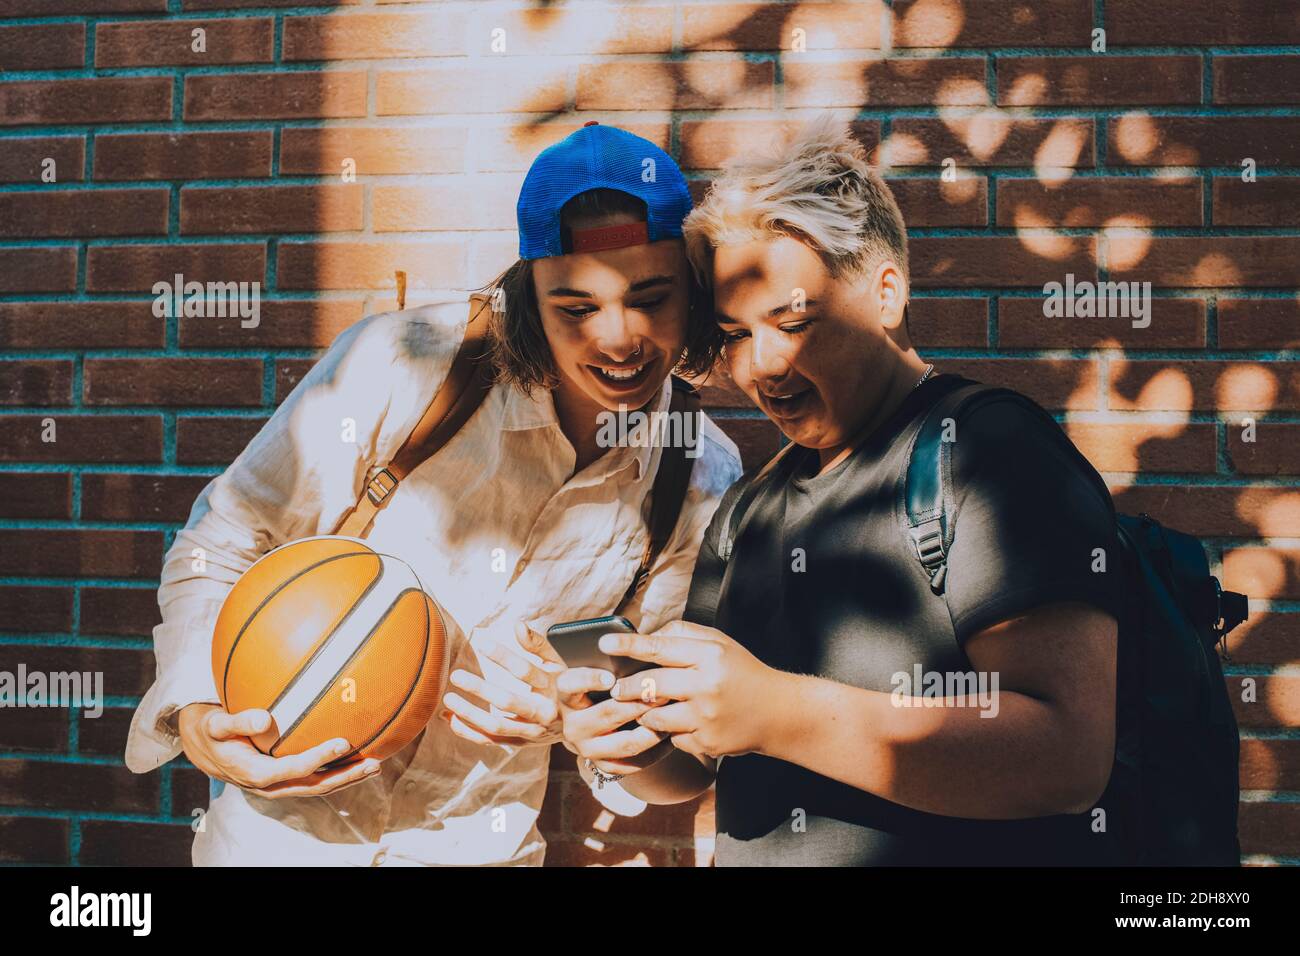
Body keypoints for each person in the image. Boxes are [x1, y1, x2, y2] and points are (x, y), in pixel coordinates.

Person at [123, 122, 741, 866]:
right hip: (276, 843)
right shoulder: (407, 365)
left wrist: (575, 718)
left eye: (651, 297)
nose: (618, 338)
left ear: (695, 293)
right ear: (531, 292)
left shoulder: (698, 476)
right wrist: (194, 711)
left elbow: (651, 737)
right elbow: (220, 543)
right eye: (576, 307)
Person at [561, 115, 1131, 865]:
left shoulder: (989, 450)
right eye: (734, 333)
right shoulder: (747, 508)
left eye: (792, 318)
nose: (760, 366)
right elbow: (700, 761)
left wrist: (776, 711)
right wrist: (630, 742)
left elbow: (1067, 760)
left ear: (886, 294)